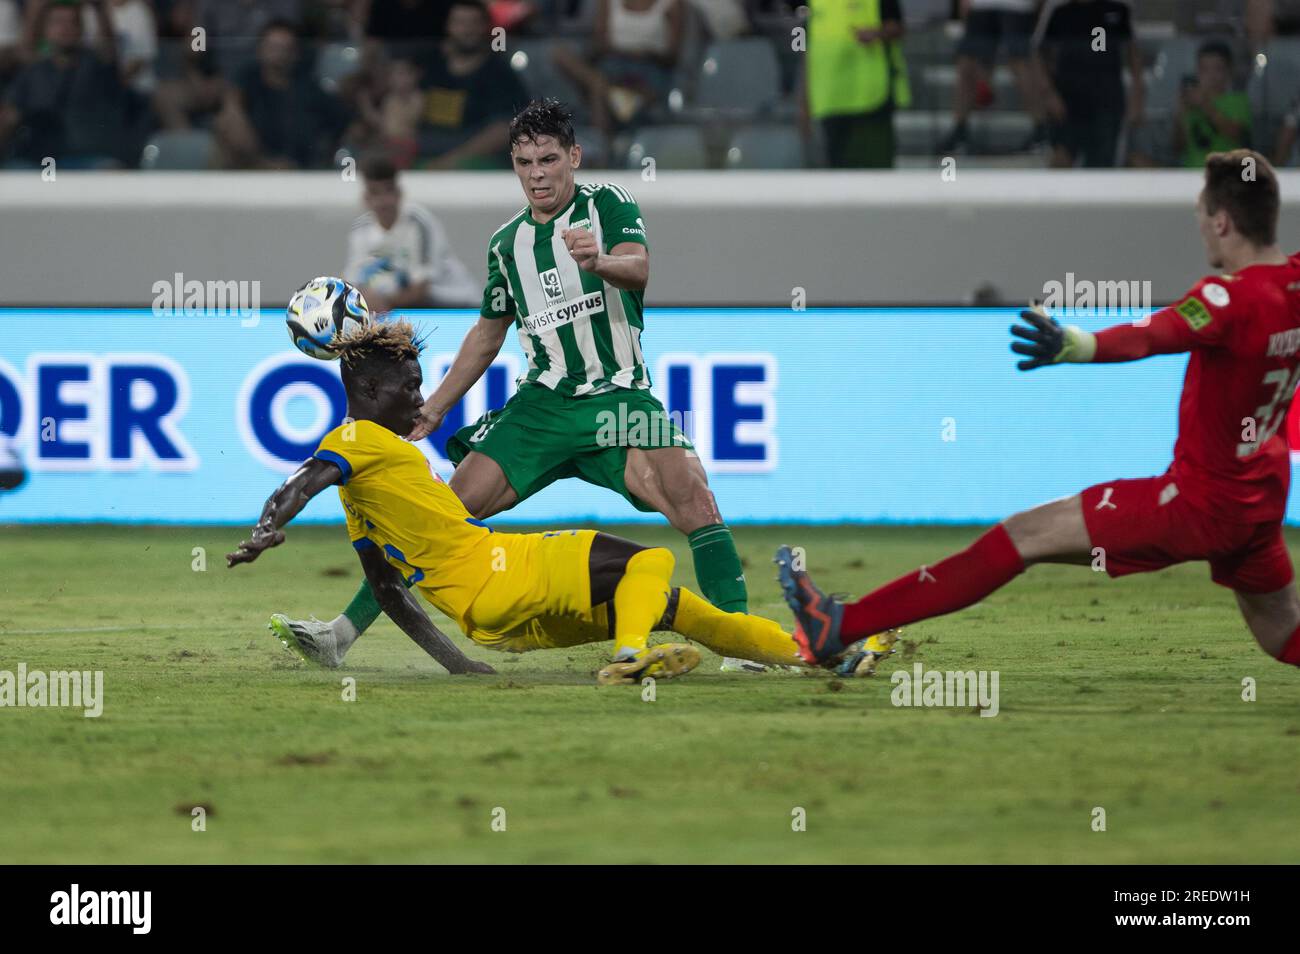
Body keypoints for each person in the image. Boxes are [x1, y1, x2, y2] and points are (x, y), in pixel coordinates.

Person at [271, 98, 766, 674]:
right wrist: (436, 406)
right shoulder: (507, 244)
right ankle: (340, 634)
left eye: (548, 159)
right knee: (444, 513)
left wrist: (600, 261)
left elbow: (638, 268)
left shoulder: (609, 204)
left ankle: (745, 649)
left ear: (573, 157)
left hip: (622, 399)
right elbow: (487, 335)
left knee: (695, 500)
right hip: (544, 406)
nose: (536, 173)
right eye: (524, 161)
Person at [778, 149, 1300, 673]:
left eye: (1200, 215)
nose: (1200, 229)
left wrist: (1078, 344)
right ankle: (839, 625)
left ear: (1223, 221)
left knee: (1021, 536)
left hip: (1198, 503)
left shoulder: (1226, 299)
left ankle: (838, 625)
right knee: (1282, 633)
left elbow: (1153, 335)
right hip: (1258, 499)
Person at [228, 320, 818, 684]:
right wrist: (266, 526)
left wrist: (458, 664)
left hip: (495, 627)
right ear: (371, 391)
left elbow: (388, 587)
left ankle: (819, 651)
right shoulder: (356, 440)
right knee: (648, 562)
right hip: (505, 575)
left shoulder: (373, 495)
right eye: (411, 387)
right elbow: (303, 480)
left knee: (679, 608)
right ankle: (632, 656)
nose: (422, 400)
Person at [0, 0, 129, 168]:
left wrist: (99, 8)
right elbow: (10, 115)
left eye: (72, 22)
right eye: (57, 22)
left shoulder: (96, 65)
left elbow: (110, 49)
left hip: (86, 158)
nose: (65, 28)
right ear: (45, 30)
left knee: (112, 173)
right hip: (36, 160)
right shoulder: (31, 72)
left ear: (81, 29)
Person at [344, 153, 481, 310]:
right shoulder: (360, 230)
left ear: (399, 193)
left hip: (456, 308)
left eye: (388, 190)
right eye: (375, 192)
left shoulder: (420, 223)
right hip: (401, 310)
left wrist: (380, 303)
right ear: (366, 197)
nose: (383, 200)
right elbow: (354, 285)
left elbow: (421, 290)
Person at [213, 18, 347, 169]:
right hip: (252, 169)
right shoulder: (248, 78)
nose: (278, 54)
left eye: (284, 48)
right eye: (272, 47)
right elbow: (231, 112)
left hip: (301, 172)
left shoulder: (309, 88)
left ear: (295, 53)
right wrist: (266, 165)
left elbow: (342, 120)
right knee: (227, 122)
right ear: (260, 49)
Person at [416, 0, 526, 169]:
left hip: (477, 162)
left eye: (474, 23)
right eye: (460, 23)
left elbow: (505, 128)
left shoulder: (499, 72)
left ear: (485, 27)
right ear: (448, 26)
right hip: (423, 154)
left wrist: (450, 161)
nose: (467, 30)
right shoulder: (431, 67)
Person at [1033, 0, 1144, 168]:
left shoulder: (1119, 9)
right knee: (1061, 160)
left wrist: (1137, 97)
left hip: (1107, 101)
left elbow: (1134, 54)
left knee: (1101, 164)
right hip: (1067, 101)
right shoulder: (1059, 11)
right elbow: (1039, 54)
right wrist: (1049, 94)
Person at [802, 0, 911, 168]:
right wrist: (804, 101)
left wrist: (876, 33)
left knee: (875, 169)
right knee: (836, 173)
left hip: (871, 95)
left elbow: (897, 25)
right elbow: (806, 49)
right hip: (830, 97)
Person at [552, 0, 685, 133]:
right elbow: (600, 43)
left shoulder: (671, 3)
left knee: (600, 89)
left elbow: (673, 55)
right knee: (563, 55)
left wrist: (643, 53)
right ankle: (604, 133)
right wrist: (625, 52)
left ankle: (610, 103)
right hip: (613, 64)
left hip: (650, 68)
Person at [938, 0, 1048, 155]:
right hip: (982, 5)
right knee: (967, 64)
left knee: (1020, 62)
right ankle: (960, 129)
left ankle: (1041, 129)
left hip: (1016, 6)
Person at [1176, 41, 1252, 169]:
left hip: (1227, 172)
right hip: (1191, 172)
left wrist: (1206, 106)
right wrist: (1180, 112)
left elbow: (1237, 135)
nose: (1211, 76)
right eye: (1204, 69)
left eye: (1217, 69)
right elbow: (1178, 147)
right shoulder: (1190, 103)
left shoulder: (1239, 100)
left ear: (1229, 71)